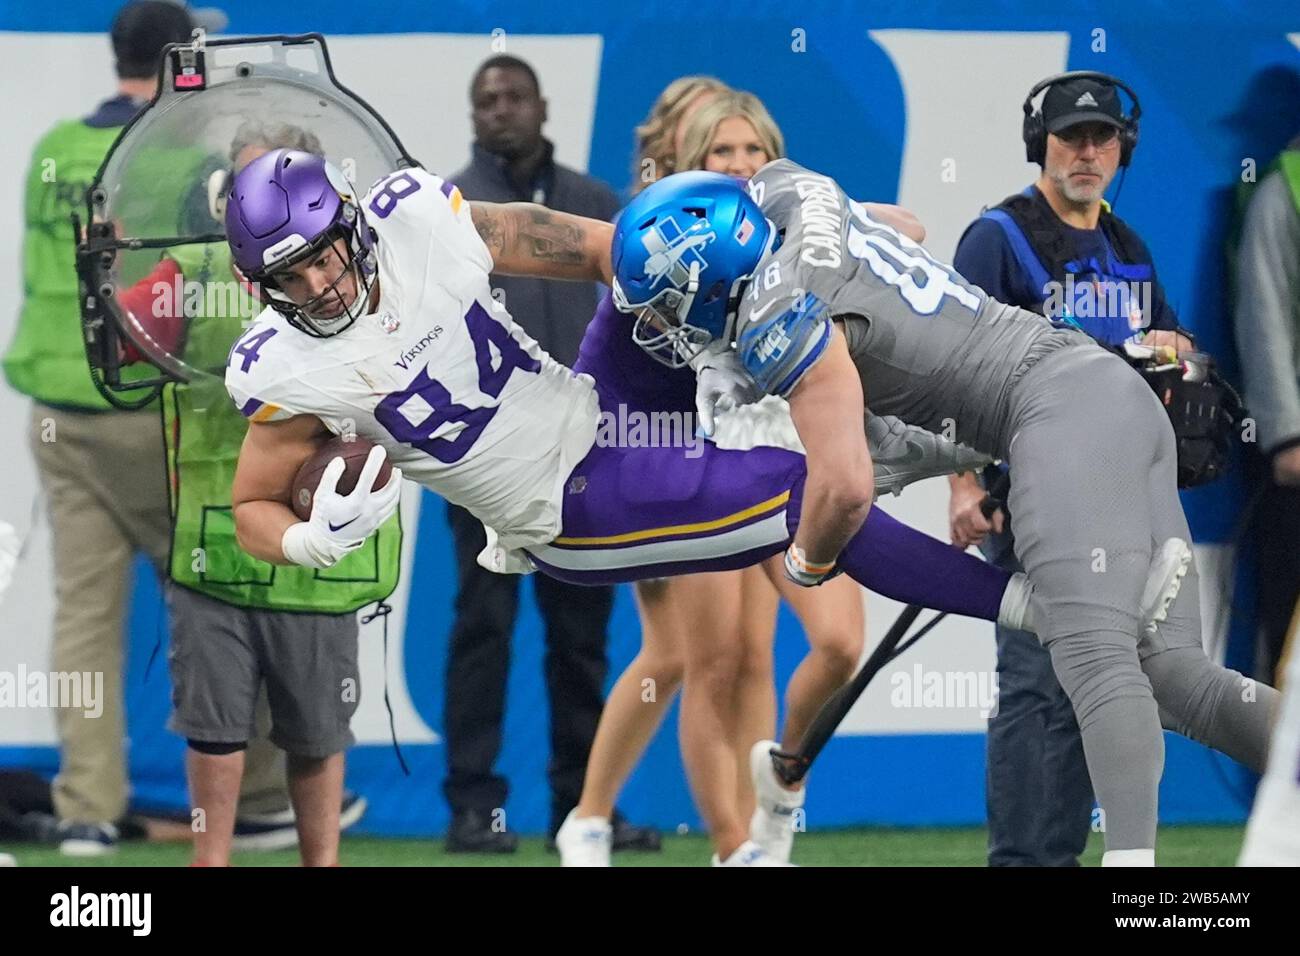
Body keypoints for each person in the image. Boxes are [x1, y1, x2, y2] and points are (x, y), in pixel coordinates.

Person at [218, 150, 1063, 866]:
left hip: (595, 405)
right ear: (260, 285)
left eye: (325, 256)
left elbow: (602, 248)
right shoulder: (283, 369)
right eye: (291, 277)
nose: (320, 286)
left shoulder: (416, 218)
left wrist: (747, 256)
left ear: (355, 226)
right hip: (564, 506)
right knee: (803, 486)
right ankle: (1033, 607)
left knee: (670, 228)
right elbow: (252, 501)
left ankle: (830, 247)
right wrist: (305, 540)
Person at [610, 160, 1278, 866]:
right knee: (1178, 680)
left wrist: (807, 559)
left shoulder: (778, 318)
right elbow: (903, 227)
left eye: (663, 306)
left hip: (1054, 412)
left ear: (707, 276)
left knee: (1093, 658)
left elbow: (843, 491)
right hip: (1099, 393)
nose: (663, 327)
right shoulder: (785, 189)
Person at [557, 87, 949, 866]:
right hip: (680, 463)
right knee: (700, 660)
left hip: (774, 460)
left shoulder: (787, 228)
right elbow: (608, 368)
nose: (739, 166)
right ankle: (716, 843)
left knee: (829, 642)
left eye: (751, 151)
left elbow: (908, 228)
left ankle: (761, 803)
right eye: (720, 154)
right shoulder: (654, 239)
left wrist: (842, 223)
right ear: (687, 163)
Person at [0, 0, 292, 857]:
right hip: (156, 409)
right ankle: (271, 795)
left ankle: (88, 809)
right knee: (234, 592)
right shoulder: (180, 150)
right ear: (180, 58)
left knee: (85, 614)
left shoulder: (56, 144)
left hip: (63, 409)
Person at [945, 72, 1193, 866]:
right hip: (1035, 504)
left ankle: (1065, 855)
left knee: (1096, 689)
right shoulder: (997, 238)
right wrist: (963, 485)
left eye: (1103, 138)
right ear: (1038, 146)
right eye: (1070, 138)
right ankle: (1023, 860)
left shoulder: (1126, 245)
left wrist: (1174, 363)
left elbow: (1173, 346)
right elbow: (956, 370)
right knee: (1037, 690)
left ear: (1123, 149)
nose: (1087, 153)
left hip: (1120, 509)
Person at [439, 54, 654, 853]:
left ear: (542, 105)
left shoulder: (598, 206)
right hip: (481, 464)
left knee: (582, 641)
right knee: (482, 629)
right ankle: (471, 807)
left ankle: (582, 807)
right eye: (486, 98)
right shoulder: (449, 209)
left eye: (514, 96)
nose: (501, 109)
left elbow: (642, 331)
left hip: (587, 461)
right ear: (474, 114)